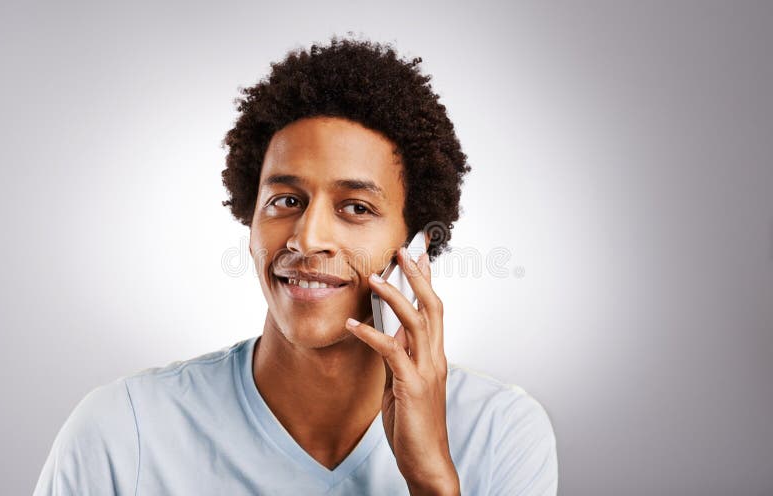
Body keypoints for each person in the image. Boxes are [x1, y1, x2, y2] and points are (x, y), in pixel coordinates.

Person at [33, 35, 558, 495]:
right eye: (286, 201)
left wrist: (433, 484)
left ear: (416, 246)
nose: (307, 237)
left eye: (356, 208)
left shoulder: (500, 432)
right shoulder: (123, 432)